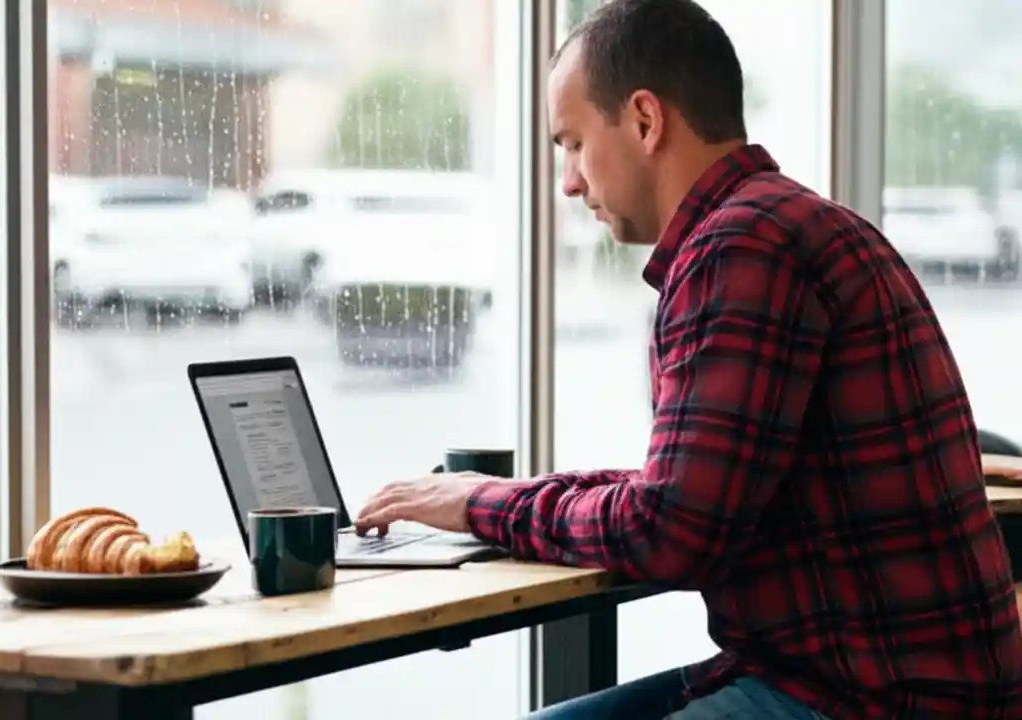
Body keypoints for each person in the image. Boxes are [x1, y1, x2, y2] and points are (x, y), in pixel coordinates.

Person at [352, 0, 1022, 717]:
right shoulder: (793, 223)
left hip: (870, 701)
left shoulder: (741, 248)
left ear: (645, 120)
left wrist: (484, 504)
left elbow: (670, 529)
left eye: (573, 144)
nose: (569, 183)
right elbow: (684, 491)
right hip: (855, 677)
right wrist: (490, 497)